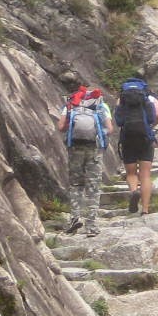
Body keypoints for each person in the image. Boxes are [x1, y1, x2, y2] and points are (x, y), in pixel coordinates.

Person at [56, 84, 108, 235]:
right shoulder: (100, 104)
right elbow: (109, 128)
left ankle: (74, 218)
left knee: (76, 184)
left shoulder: (72, 104)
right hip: (94, 150)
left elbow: (61, 126)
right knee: (93, 186)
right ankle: (91, 225)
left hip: (75, 149)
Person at [112, 75, 158, 216]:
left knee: (131, 172)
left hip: (128, 138)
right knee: (145, 175)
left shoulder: (121, 99)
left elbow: (119, 120)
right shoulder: (150, 98)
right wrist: (149, 126)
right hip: (146, 138)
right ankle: (145, 209)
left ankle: (134, 191)